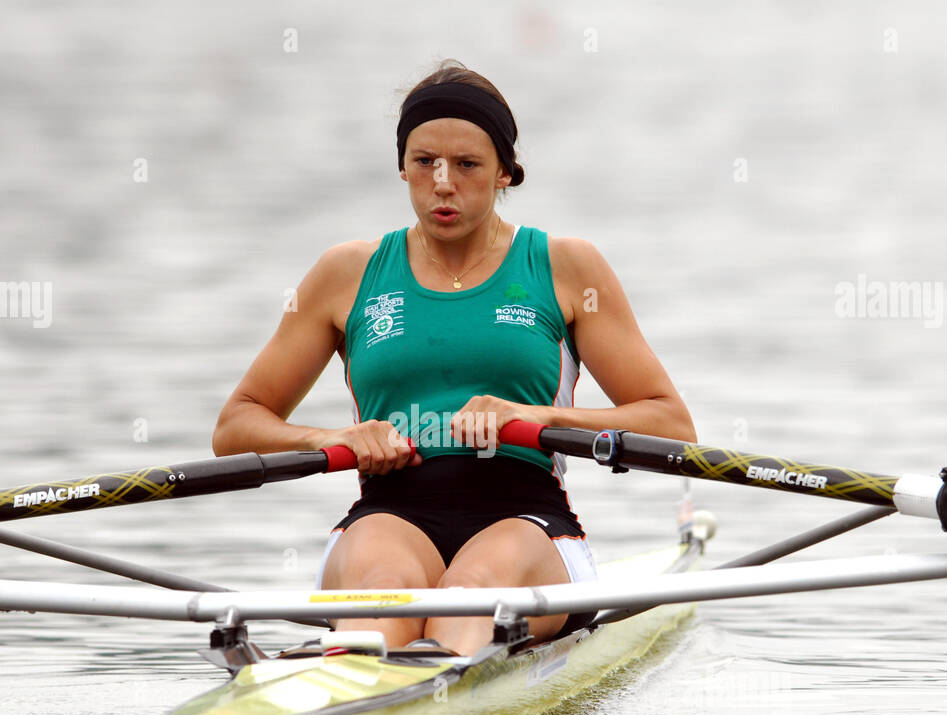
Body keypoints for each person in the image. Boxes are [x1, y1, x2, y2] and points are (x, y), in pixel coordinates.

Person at [212, 60, 695, 655]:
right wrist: (338, 435)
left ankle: (425, 681)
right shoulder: (347, 273)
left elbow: (671, 424)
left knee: (471, 594)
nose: (443, 183)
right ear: (402, 167)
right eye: (425, 163)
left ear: (505, 175)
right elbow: (236, 426)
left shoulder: (566, 266)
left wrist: (537, 419)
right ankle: (354, 680)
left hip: (527, 517)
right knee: (384, 597)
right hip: (387, 513)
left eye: (467, 165)